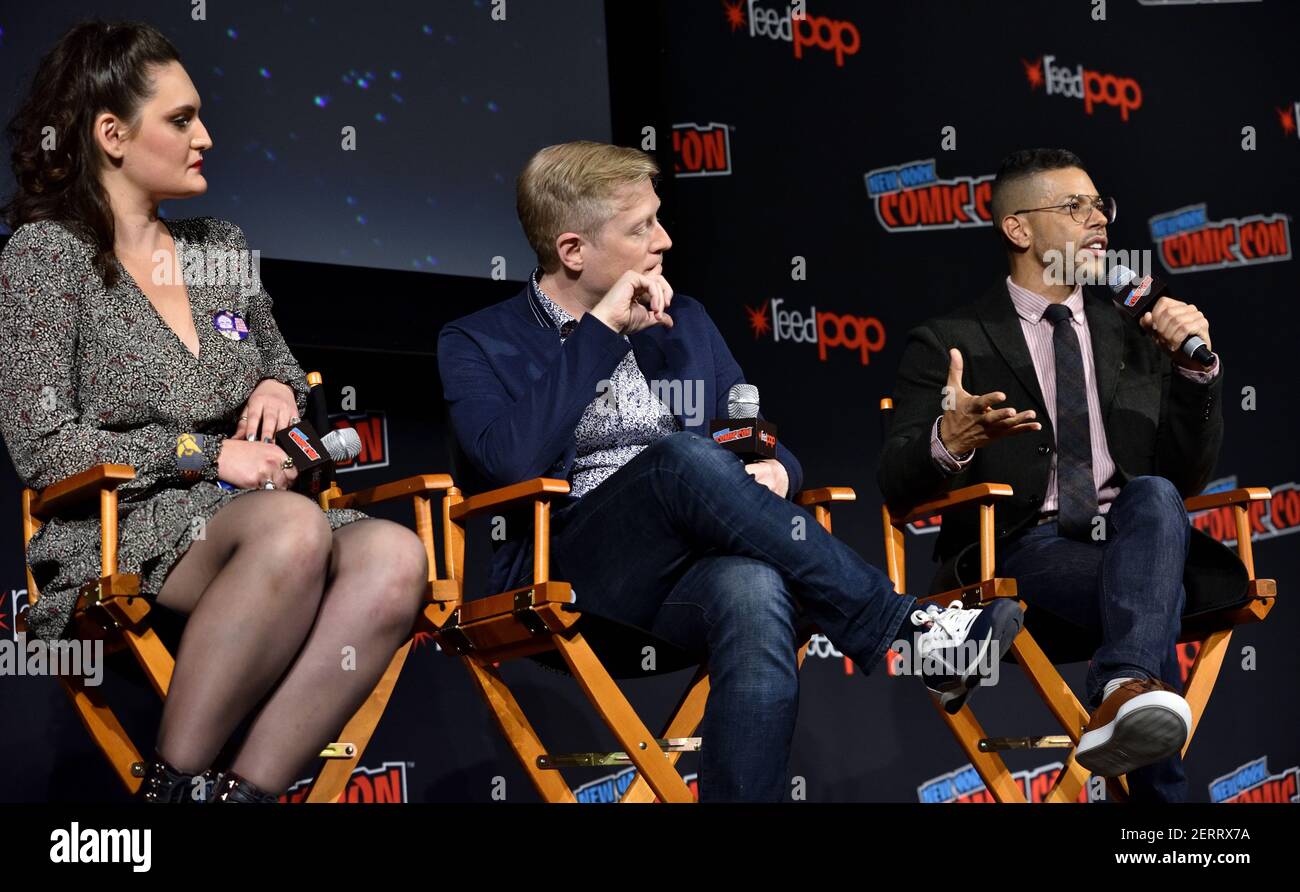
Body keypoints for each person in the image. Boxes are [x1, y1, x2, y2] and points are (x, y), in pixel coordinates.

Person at [438, 140, 1024, 801]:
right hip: (570, 569)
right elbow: (507, 461)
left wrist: (775, 471)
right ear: (573, 251)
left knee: (752, 590)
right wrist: (602, 329)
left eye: (659, 218)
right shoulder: (478, 341)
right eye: (641, 228)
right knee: (684, 458)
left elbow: (756, 436)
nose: (664, 239)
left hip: (684, 571)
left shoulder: (684, 320)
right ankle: (901, 626)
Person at [0, 21, 428, 803]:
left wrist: (277, 389)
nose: (205, 136)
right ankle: (175, 784)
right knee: (293, 528)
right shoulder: (44, 256)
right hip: (123, 519)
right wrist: (201, 452)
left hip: (252, 511)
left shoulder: (217, 243)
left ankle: (241, 796)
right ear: (111, 135)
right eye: (181, 119)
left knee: (395, 558)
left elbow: (282, 368)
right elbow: (40, 444)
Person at [879, 148, 1246, 801]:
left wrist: (1196, 372)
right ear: (1018, 229)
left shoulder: (1136, 334)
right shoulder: (950, 340)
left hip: (1137, 536)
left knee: (1157, 498)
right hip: (1024, 551)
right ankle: (1135, 715)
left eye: (1100, 205)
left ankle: (1122, 687)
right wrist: (949, 439)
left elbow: (1186, 476)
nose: (1097, 218)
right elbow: (896, 482)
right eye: (1073, 206)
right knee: (1153, 599)